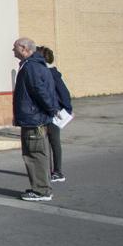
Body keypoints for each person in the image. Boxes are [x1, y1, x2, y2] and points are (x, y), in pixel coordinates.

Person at [12, 37, 60, 202]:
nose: (13, 50)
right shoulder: (34, 65)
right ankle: (42, 188)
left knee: (34, 155)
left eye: (15, 47)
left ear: (24, 48)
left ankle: (41, 191)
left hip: (34, 119)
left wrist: (51, 110)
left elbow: (40, 91)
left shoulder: (31, 67)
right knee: (38, 154)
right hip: (35, 117)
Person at [37, 45, 72, 183]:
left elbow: (64, 93)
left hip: (53, 114)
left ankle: (58, 171)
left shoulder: (51, 74)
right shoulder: (42, 72)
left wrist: (67, 110)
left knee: (54, 142)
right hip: (43, 113)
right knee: (45, 143)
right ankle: (48, 170)